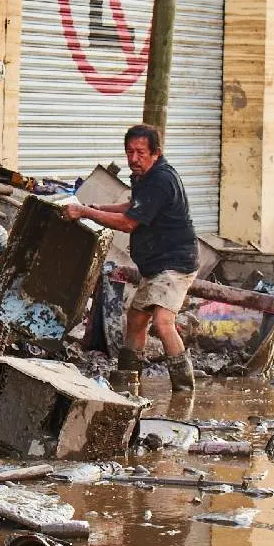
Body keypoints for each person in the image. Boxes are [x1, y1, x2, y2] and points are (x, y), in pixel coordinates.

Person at [64, 124, 199, 392]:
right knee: (136, 321)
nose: (134, 159)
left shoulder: (161, 180)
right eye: (129, 152)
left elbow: (127, 223)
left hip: (175, 263)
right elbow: (132, 207)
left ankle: (184, 390)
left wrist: (84, 212)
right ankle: (127, 385)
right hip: (156, 264)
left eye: (140, 153)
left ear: (156, 154)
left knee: (162, 322)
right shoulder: (143, 177)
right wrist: (99, 208)